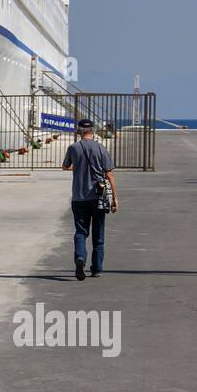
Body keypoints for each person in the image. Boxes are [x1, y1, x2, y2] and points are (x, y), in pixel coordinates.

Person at [61, 119, 119, 280]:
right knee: (98, 235)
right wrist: (115, 198)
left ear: (79, 131)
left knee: (81, 232)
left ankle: (80, 256)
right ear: (92, 131)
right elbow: (109, 174)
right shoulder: (100, 148)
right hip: (98, 197)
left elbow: (65, 166)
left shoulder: (73, 148)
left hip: (79, 197)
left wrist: (78, 168)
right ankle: (97, 268)